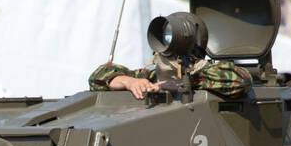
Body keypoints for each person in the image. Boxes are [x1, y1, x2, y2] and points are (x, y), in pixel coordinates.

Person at [88, 36, 255, 100]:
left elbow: (241, 81)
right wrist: (128, 81)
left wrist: (184, 82)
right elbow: (97, 78)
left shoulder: (204, 75)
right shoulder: (149, 77)